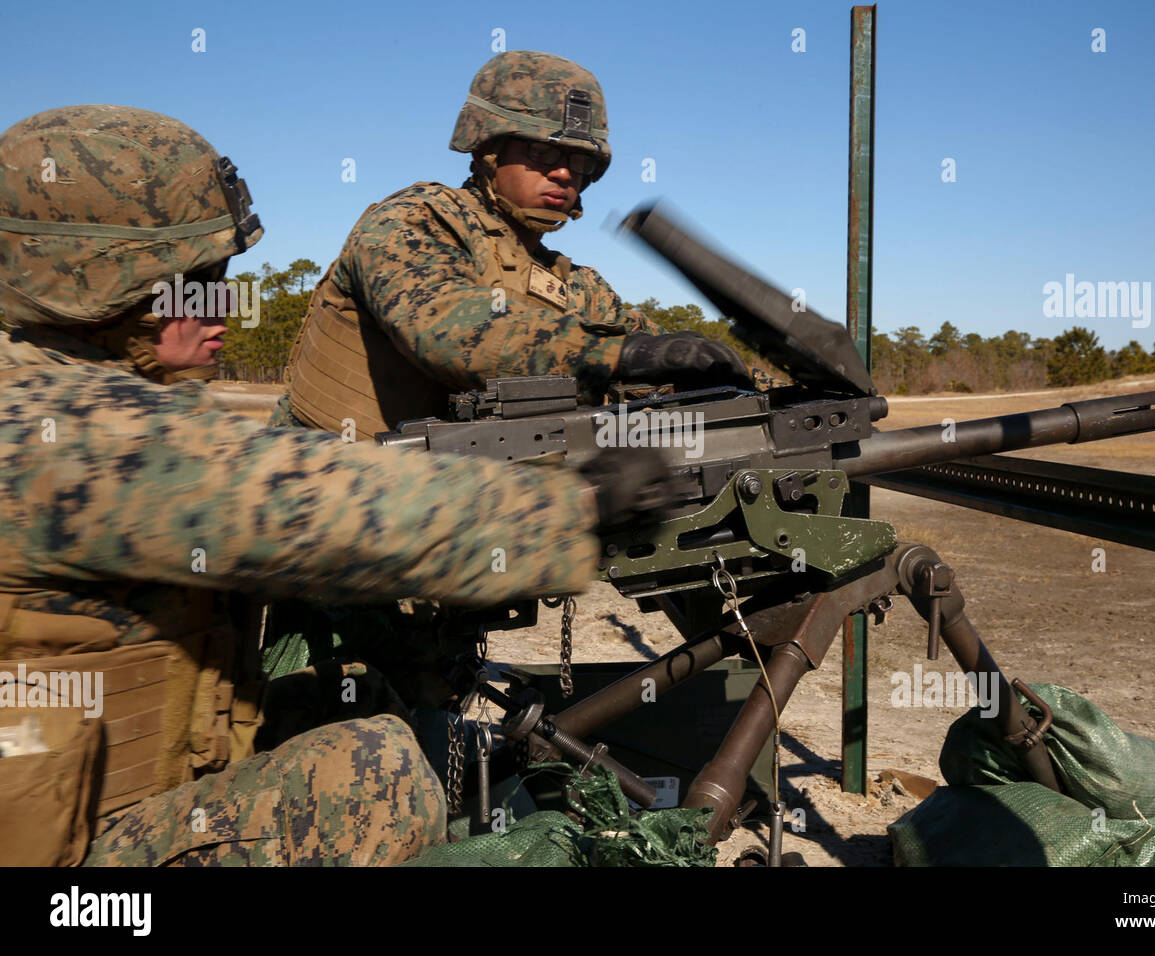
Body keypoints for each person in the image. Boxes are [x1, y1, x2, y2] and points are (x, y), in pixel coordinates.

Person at [0, 104, 670, 866]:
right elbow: (301, 504)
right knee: (374, 771)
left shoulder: (91, 395)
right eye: (200, 281)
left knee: (360, 700)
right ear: (96, 284)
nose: (224, 304)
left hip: (124, 794)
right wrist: (576, 507)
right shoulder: (49, 427)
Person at [273, 49, 778, 440]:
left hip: (450, 515)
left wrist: (768, 388)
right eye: (541, 151)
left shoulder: (576, 286)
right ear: (489, 149)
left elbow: (656, 357)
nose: (563, 173)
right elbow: (448, 330)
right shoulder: (414, 220)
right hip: (318, 495)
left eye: (579, 163)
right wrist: (622, 354)